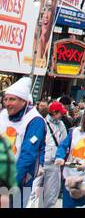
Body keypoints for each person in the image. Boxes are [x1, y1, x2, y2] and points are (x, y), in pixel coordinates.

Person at [0, 78, 45, 208]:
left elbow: (28, 155)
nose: (7, 103)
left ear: (23, 101)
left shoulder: (35, 120)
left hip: (19, 180)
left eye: (12, 99)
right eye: (6, 99)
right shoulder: (2, 115)